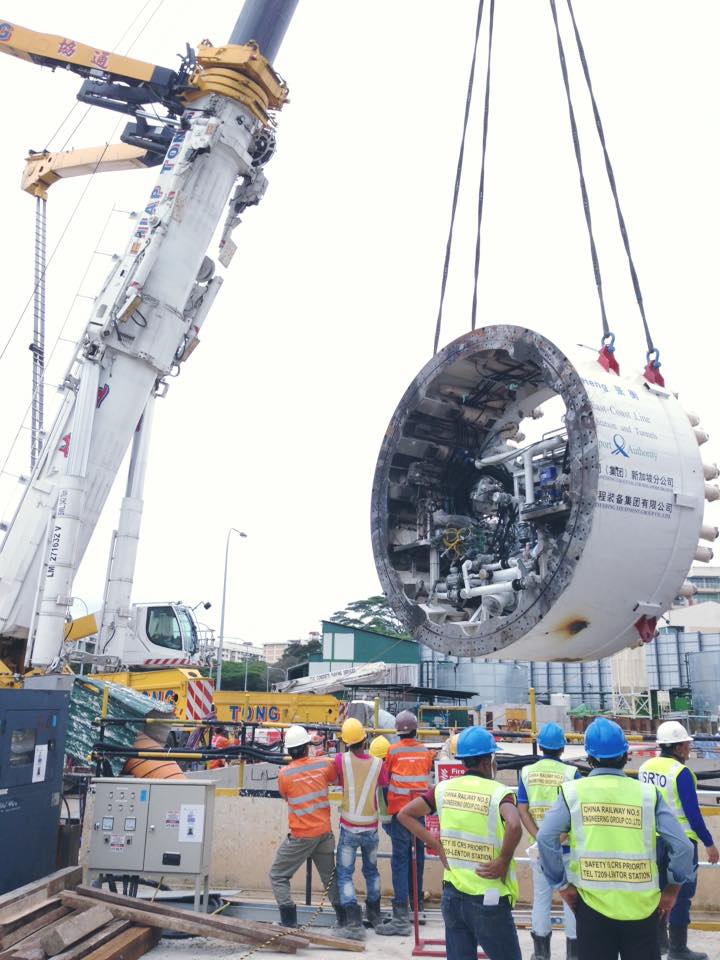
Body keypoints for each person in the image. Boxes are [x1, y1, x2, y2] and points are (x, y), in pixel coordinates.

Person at [537, 717, 695, 960]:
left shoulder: (573, 793)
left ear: (589, 757)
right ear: (625, 755)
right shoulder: (647, 794)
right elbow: (683, 846)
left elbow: (546, 838)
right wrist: (673, 889)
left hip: (592, 907)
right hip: (643, 908)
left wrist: (562, 886)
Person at [397, 725, 523, 960]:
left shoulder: (443, 789)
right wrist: (503, 859)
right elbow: (515, 824)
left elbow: (405, 814)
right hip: (489, 898)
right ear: (487, 762)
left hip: (453, 897)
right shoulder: (499, 792)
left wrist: (437, 846)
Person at [639, 720, 719, 960]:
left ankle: (659, 944)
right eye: (685, 744)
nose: (688, 748)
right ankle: (678, 949)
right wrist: (709, 843)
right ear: (675, 748)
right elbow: (693, 814)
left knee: (656, 890)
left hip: (651, 840)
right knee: (681, 893)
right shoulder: (681, 773)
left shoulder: (645, 768)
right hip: (680, 843)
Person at [269, 724, 344, 930]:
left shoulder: (284, 774)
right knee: (330, 877)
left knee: (278, 875)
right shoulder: (322, 765)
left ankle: (289, 921)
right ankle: (344, 919)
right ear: (306, 747)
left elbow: (286, 796)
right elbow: (335, 773)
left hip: (301, 836)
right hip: (323, 833)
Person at [518, 722, 581, 960]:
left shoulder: (526, 772)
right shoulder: (572, 773)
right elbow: (575, 814)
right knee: (572, 902)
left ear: (540, 746)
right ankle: (574, 955)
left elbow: (522, 809)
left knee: (541, 900)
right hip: (567, 849)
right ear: (562, 748)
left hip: (540, 850)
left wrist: (541, 840)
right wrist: (556, 840)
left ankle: (541, 955)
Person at [376, 709, 433, 936]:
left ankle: (401, 916)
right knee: (417, 858)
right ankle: (415, 906)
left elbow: (386, 780)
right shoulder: (426, 753)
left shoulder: (392, 752)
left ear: (397, 732)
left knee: (400, 860)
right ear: (416, 729)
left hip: (400, 815)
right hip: (419, 813)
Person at [334, 719, 388, 938]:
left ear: (346, 743)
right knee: (371, 871)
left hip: (348, 827)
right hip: (370, 828)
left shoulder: (340, 761)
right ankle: (374, 913)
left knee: (345, 874)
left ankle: (353, 920)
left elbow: (335, 778)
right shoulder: (378, 764)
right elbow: (384, 785)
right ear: (365, 740)